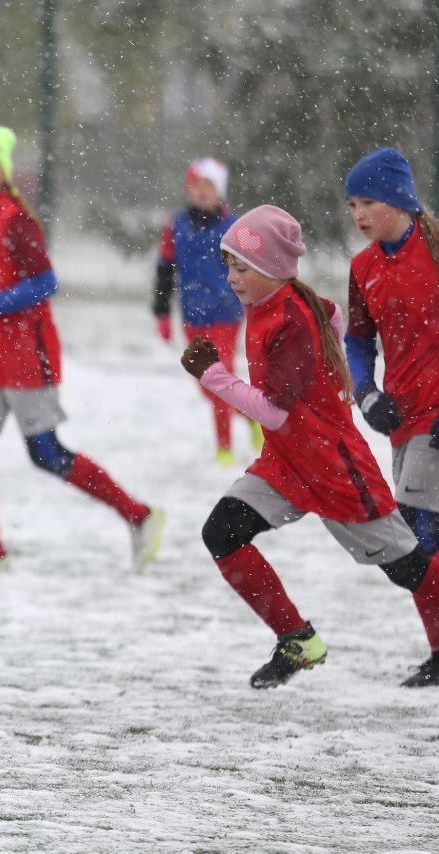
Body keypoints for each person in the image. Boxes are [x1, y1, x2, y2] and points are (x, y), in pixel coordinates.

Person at [182, 204, 439, 688]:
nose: (233, 277)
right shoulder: (287, 305)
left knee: (409, 569)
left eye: (244, 267)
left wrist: (213, 376)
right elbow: (333, 313)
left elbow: (273, 412)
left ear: (276, 270)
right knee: (222, 532)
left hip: (334, 469)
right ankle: (296, 640)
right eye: (230, 265)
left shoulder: (291, 321)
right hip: (286, 463)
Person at [0, 124, 164, 572]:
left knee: (46, 453)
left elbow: (44, 284)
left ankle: (139, 516)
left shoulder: (15, 219)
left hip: (26, 353)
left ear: (3, 171)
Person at [343, 148, 439, 555]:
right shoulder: (363, 267)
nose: (358, 214)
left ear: (399, 200)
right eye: (351, 205)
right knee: (415, 549)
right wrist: (366, 395)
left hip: (433, 422)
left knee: (417, 541)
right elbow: (358, 341)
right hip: (402, 418)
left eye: (368, 202)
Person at [153, 158, 256, 464]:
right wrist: (161, 314)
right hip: (192, 315)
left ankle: (223, 448)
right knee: (205, 384)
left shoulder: (234, 227)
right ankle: (253, 416)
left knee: (219, 376)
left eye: (208, 186)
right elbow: (164, 270)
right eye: (197, 186)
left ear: (219, 191)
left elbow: (253, 267)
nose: (201, 192)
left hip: (226, 313)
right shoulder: (175, 226)